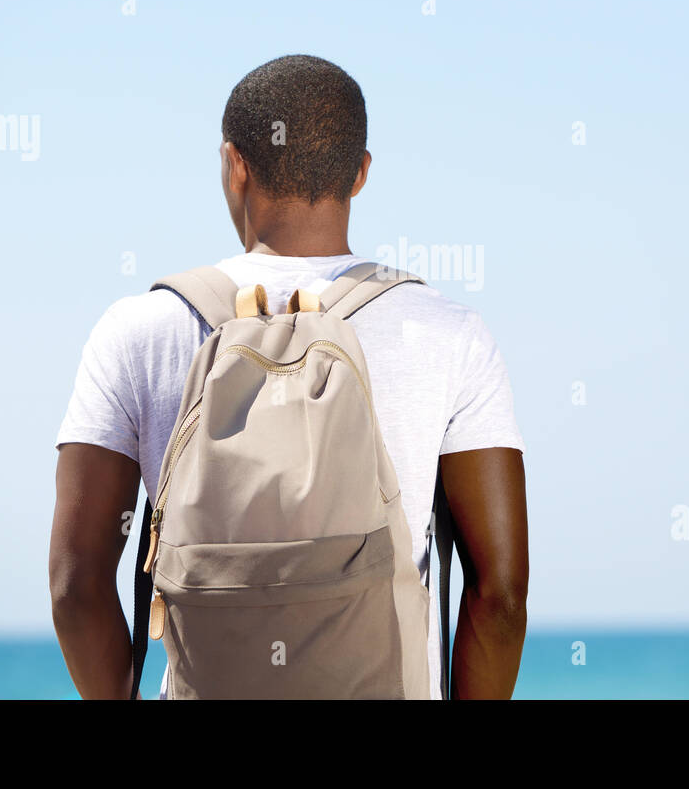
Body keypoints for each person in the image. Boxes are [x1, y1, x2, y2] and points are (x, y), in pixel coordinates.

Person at [49, 54, 528, 699]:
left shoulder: (138, 329)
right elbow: (499, 594)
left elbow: (75, 586)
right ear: (360, 173)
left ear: (234, 164)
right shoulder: (449, 333)